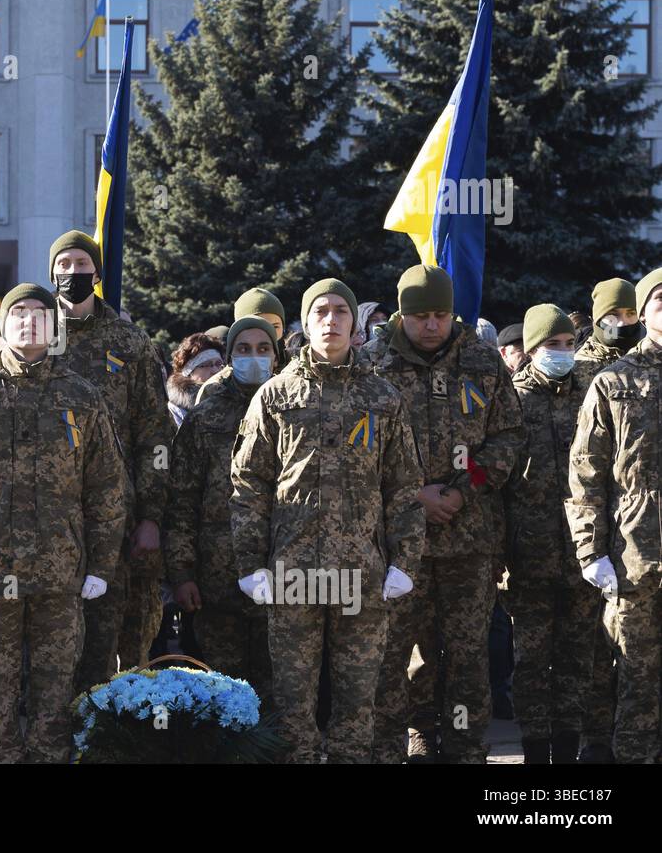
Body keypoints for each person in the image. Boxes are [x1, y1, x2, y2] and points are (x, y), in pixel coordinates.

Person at [0, 284, 127, 763]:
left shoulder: (81, 396)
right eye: (20, 313)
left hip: (60, 573)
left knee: (55, 694)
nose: (30, 322)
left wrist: (100, 564)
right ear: (2, 324)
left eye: (41, 314)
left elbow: (106, 487)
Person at [231, 279, 424, 763]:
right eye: (321, 311)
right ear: (306, 322)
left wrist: (405, 561)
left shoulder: (382, 397)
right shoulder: (275, 396)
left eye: (341, 311)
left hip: (362, 574)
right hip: (293, 574)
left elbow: (404, 486)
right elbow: (249, 484)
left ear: (355, 323)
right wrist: (250, 564)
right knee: (294, 706)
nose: (332, 320)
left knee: (358, 705)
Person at [367, 266, 525, 764]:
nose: (431, 325)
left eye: (439, 314)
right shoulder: (371, 365)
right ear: (401, 313)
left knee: (466, 655)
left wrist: (465, 488)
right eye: (419, 316)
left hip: (469, 538)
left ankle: (464, 748)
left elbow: (509, 434)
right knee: (395, 654)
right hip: (396, 542)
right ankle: (407, 740)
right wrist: (416, 493)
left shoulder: (482, 362)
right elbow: (358, 450)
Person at [48, 231, 168, 686]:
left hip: (114, 518)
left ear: (97, 274)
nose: (73, 273)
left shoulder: (129, 342)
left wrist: (151, 516)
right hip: (46, 518)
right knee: (47, 653)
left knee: (103, 641)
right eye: (64, 265)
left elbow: (154, 436)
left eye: (82, 264)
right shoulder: (32, 337)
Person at [566, 267, 662, 765]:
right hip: (635, 559)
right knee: (638, 687)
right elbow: (587, 473)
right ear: (644, 311)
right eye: (660, 299)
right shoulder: (614, 381)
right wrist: (590, 550)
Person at [164, 316, 279, 705]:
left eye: (263, 349)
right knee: (223, 699)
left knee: (278, 696)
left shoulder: (293, 409)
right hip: (216, 580)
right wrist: (181, 573)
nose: (254, 357)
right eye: (243, 349)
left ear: (276, 357)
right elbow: (181, 501)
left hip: (281, 576)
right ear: (229, 356)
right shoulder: (205, 415)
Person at [503, 305, 597, 763]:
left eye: (567, 344)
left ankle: (568, 747)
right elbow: (496, 483)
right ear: (532, 349)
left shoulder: (588, 394)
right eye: (550, 346)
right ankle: (535, 750)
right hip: (529, 554)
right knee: (532, 660)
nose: (562, 353)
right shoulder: (512, 398)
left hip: (583, 553)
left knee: (579, 655)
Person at [572, 278, 640, 763]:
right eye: (611, 313)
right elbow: (585, 470)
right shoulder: (599, 378)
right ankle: (597, 745)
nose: (621, 322)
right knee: (615, 665)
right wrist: (591, 548)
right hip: (624, 548)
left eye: (628, 312)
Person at [164, 333, 225, 427]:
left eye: (218, 363)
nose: (215, 370)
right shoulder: (176, 411)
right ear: (189, 372)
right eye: (206, 365)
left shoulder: (232, 400)